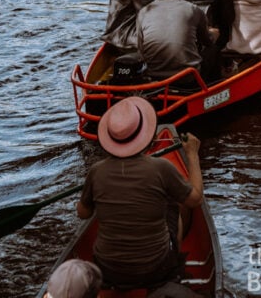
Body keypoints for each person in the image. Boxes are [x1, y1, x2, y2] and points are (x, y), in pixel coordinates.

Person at [77, 97, 203, 290]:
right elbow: (195, 199)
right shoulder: (161, 168)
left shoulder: (96, 171)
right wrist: (192, 154)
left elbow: (83, 213)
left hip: (107, 269)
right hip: (156, 269)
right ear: (144, 134)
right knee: (173, 204)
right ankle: (173, 268)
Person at [137, 0, 219, 82]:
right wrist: (214, 33)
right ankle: (214, 85)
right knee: (213, 50)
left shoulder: (143, 13)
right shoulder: (192, 9)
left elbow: (141, 51)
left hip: (154, 77)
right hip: (187, 78)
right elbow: (207, 41)